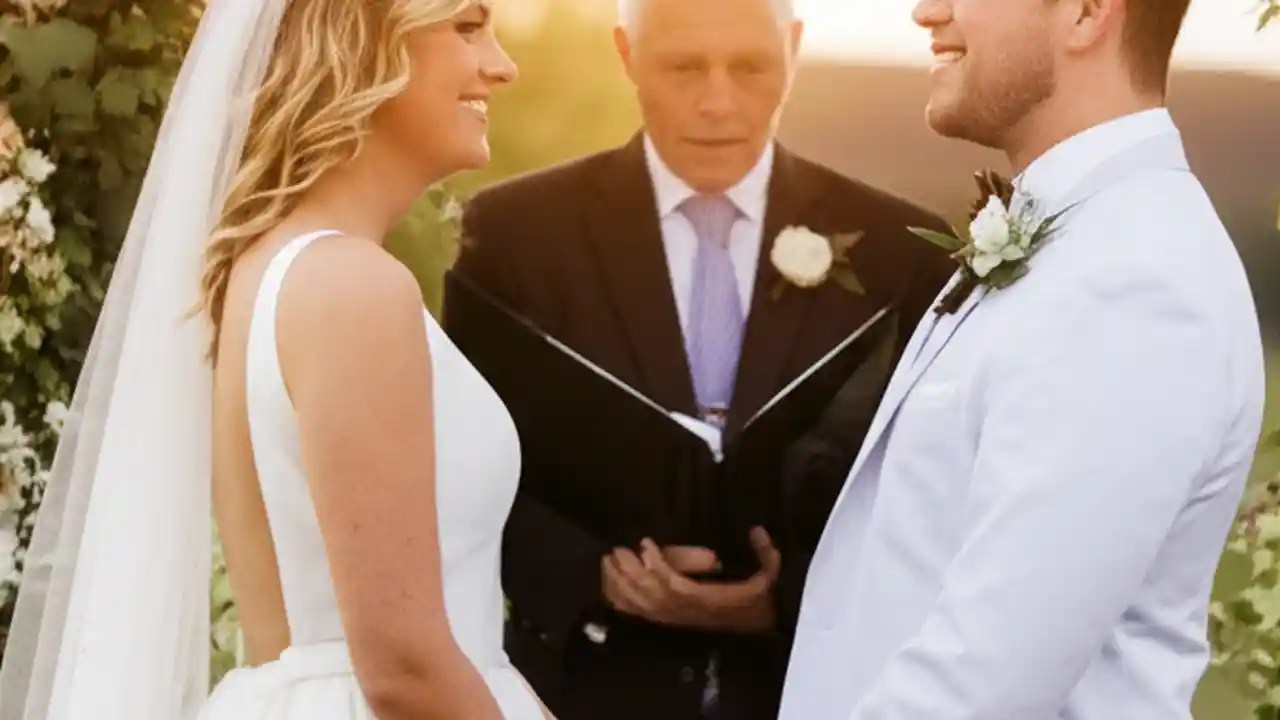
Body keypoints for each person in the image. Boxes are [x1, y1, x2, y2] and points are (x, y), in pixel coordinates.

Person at [0, 1, 548, 718]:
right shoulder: (352, 288)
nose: (503, 66)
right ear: (362, 42)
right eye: (467, 26)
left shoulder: (276, 272)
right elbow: (403, 666)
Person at [446, 0, 952, 717]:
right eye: (685, 67)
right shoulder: (515, 233)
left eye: (749, 67)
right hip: (584, 690)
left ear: (794, 50)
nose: (718, 102)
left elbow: (927, 487)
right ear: (626, 55)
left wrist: (785, 597)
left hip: (803, 693)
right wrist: (595, 575)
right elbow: (462, 465)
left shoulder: (901, 250)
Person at [779, 0, 1266, 717]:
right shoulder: (1081, 237)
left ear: (1086, 13)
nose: (925, 11)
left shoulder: (1136, 281)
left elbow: (982, 679)